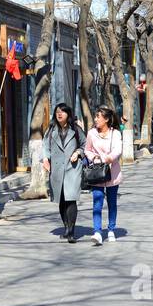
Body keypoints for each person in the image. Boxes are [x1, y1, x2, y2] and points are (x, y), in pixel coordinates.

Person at [43, 102, 85, 242]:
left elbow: (85, 145)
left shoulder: (76, 129)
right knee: (61, 200)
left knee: (71, 199)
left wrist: (78, 153)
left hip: (72, 168)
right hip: (56, 170)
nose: (59, 114)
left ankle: (71, 231)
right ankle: (66, 227)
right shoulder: (51, 130)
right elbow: (45, 147)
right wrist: (45, 158)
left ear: (68, 114)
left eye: (62, 111)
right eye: (57, 112)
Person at [84, 106, 123, 244]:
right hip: (97, 173)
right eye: (95, 116)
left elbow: (118, 149)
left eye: (98, 117)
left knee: (112, 203)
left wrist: (109, 158)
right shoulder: (91, 133)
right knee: (97, 202)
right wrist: (94, 157)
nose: (95, 119)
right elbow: (87, 150)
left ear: (106, 119)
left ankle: (111, 229)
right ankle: (97, 232)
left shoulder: (116, 133)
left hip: (112, 173)